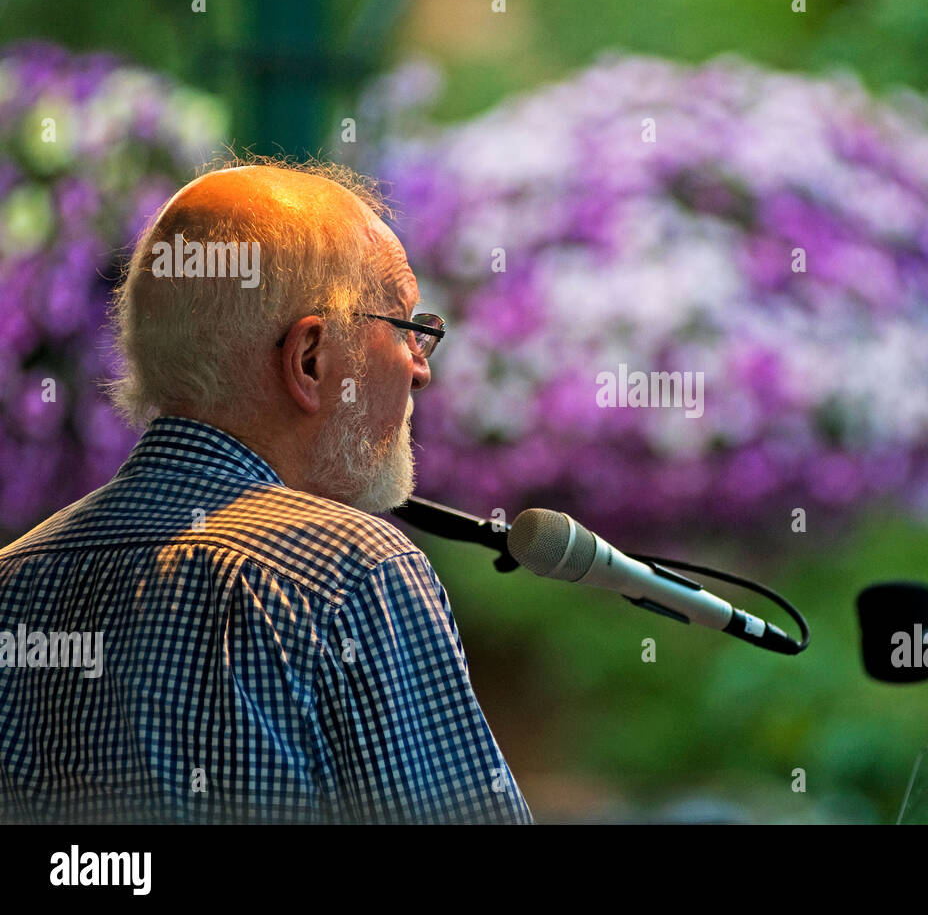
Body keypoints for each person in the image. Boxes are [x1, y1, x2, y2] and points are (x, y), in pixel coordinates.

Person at [0, 161, 532, 824]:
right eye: (404, 327)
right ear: (310, 359)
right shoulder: (354, 570)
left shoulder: (13, 580)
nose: (420, 368)